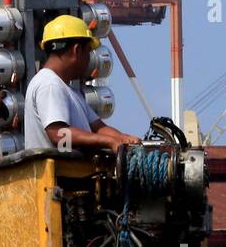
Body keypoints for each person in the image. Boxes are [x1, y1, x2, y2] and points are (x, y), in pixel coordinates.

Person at [24, 14, 141, 153]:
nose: (88, 62)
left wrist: (123, 139)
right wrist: (109, 141)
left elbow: (98, 127)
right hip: (59, 174)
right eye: (88, 53)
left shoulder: (69, 91)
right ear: (77, 50)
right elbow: (59, 136)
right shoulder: (49, 84)